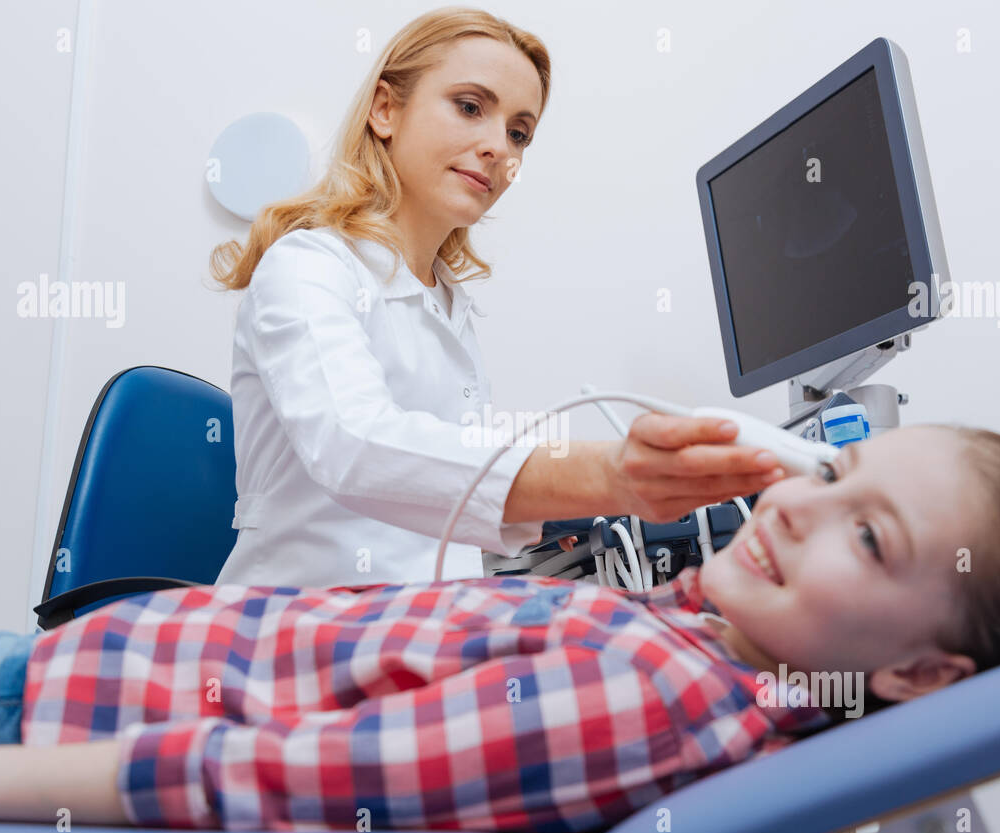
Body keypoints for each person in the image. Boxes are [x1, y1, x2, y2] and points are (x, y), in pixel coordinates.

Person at [0, 425, 1000, 833]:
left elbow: (255, 773)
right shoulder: (705, 657)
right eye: (828, 468)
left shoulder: (657, 696)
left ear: (915, 671)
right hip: (72, 670)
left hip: (15, 717)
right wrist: (661, 474)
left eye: (868, 534)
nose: (791, 500)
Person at [205, 8, 783, 589]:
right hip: (296, 625)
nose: (497, 148)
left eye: (518, 133)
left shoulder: (448, 304)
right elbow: (355, 446)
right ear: (386, 110)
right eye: (470, 107)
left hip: (414, 620)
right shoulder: (309, 266)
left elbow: (445, 491)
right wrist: (606, 473)